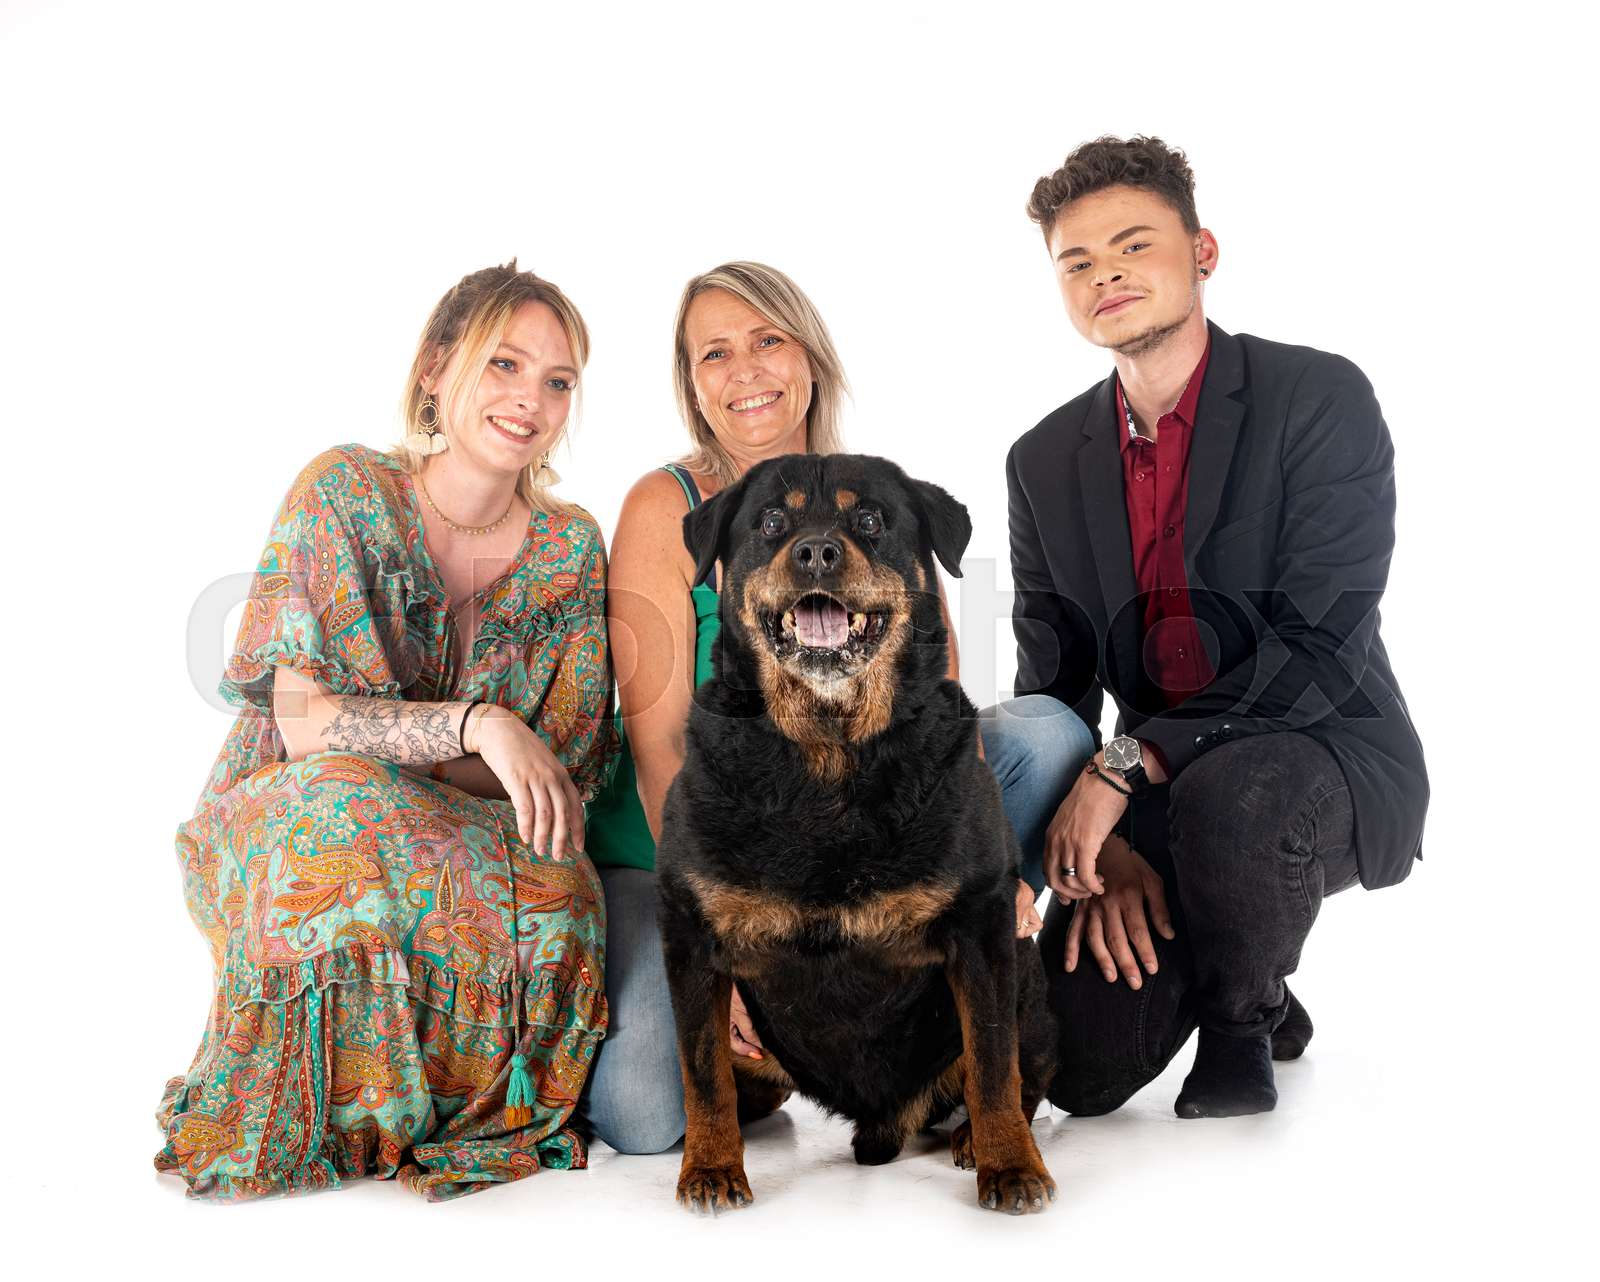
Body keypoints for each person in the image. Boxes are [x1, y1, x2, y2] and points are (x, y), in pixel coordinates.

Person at [980, 136, 1429, 1118]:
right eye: (1077, 262)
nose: (1106, 275)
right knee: (1074, 1070)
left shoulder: (1317, 400)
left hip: (1323, 754)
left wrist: (1126, 764)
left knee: (1238, 795)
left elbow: (1319, 648)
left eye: (1132, 245)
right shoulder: (1042, 461)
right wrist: (1114, 847)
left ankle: (1242, 1020)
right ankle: (1250, 949)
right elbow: (1054, 694)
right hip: (1152, 795)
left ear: (1203, 251)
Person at [155, 262, 618, 1199]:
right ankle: (333, 1105)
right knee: (341, 806)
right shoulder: (344, 492)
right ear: (438, 369)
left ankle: (449, 1104)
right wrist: (479, 726)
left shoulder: (570, 546)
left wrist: (449, 768)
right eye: (504, 364)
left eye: (558, 381)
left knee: (565, 885)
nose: (530, 399)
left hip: (473, 830)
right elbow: (304, 724)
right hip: (303, 806)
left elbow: (558, 774)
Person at [581, 261, 1023, 1152]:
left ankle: (954, 967)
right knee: (640, 1113)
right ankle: (811, 1031)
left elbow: (942, 708)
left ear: (809, 359)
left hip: (860, 827)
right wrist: (730, 954)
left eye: (767, 340)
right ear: (692, 383)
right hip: (691, 842)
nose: (745, 370)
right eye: (715, 353)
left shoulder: (875, 504)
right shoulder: (664, 505)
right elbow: (663, 744)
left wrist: (989, 872)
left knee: (1042, 737)